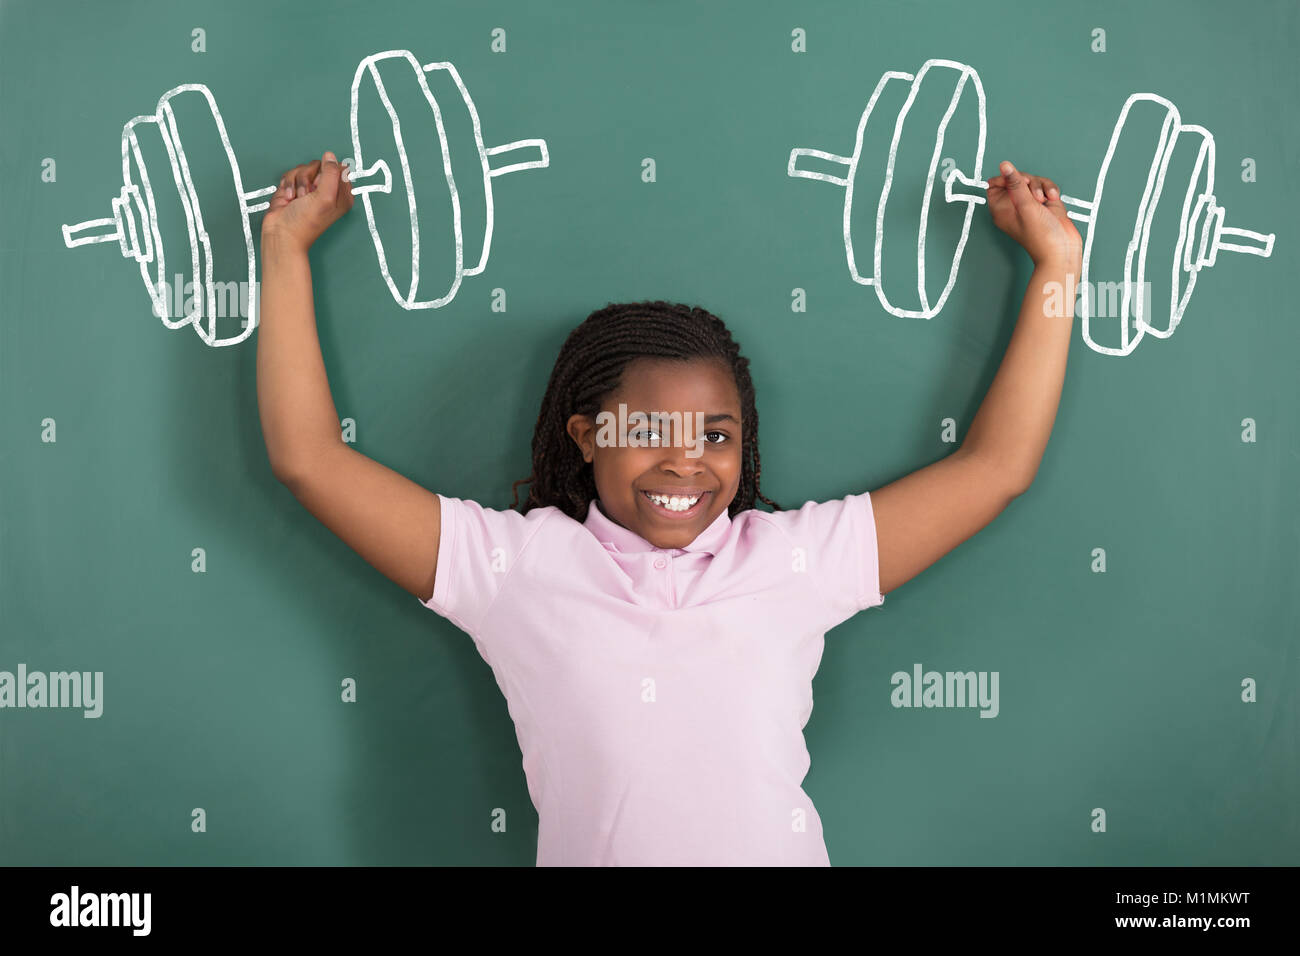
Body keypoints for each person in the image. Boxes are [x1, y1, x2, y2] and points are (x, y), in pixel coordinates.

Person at [257, 150, 1082, 865]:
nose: (687, 459)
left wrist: (1057, 268)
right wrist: (285, 249)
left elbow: (995, 469)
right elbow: (312, 462)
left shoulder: (798, 560)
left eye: (716, 436)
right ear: (587, 435)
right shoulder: (512, 568)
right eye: (652, 428)